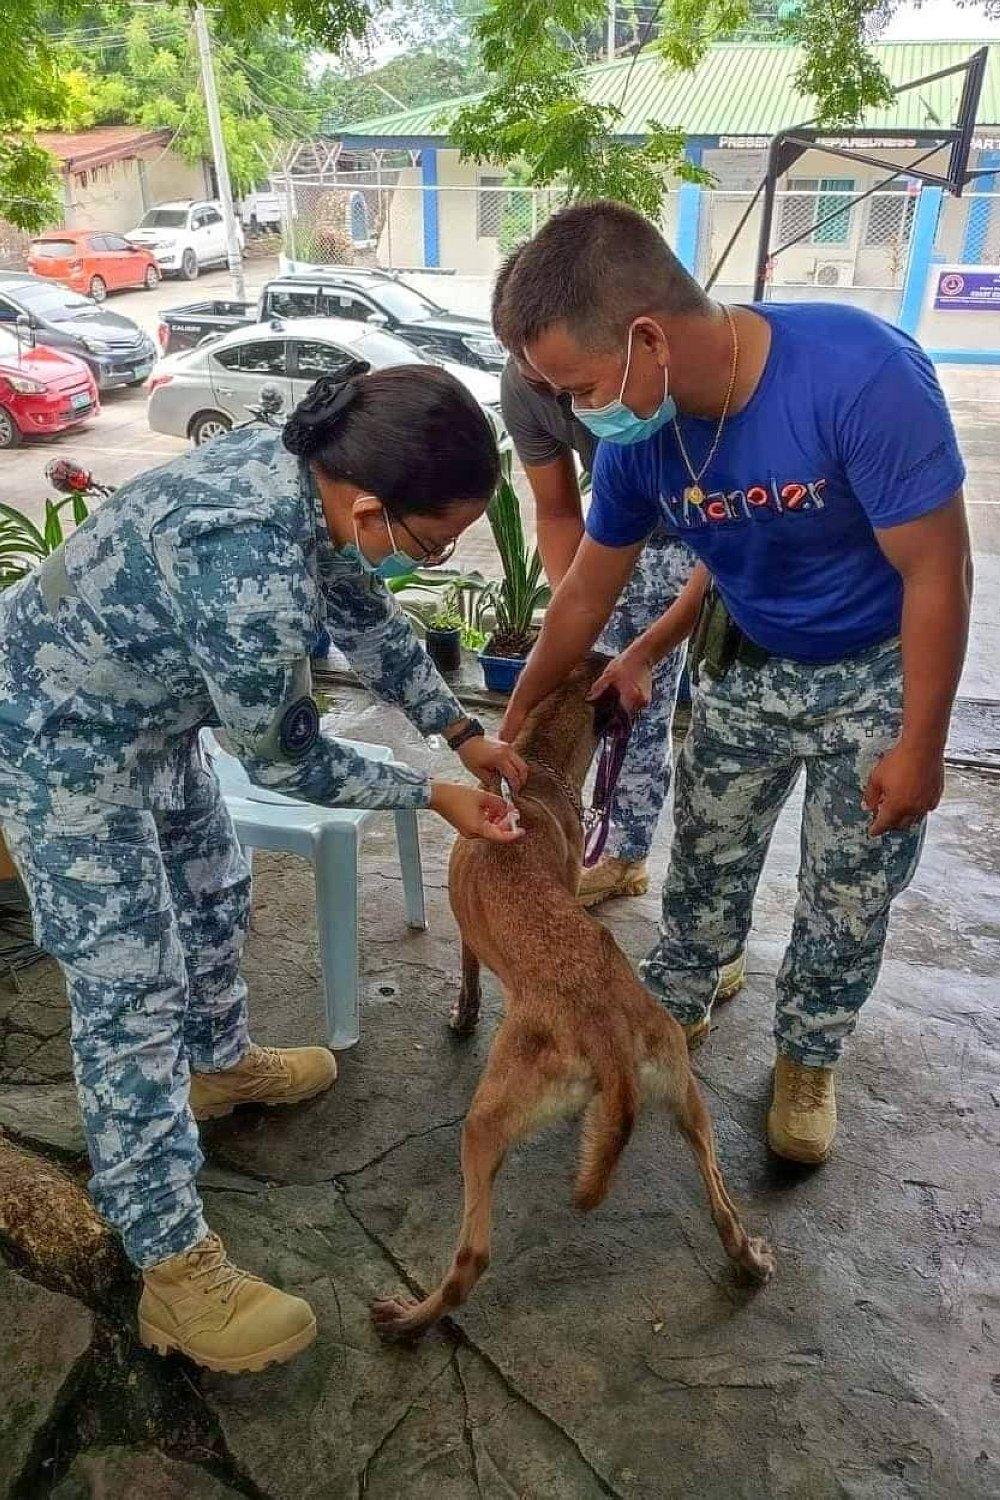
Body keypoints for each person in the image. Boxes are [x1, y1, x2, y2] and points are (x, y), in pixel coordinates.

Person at [0, 362, 527, 1374]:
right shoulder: (244, 553)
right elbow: (284, 757)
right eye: (433, 540)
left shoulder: (311, 479)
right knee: (128, 992)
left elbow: (367, 613)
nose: (442, 554)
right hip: (55, 738)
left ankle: (216, 1065)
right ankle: (170, 1268)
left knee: (211, 891)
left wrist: (460, 732)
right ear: (371, 505)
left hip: (142, 724)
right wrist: (428, 795)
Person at [494, 201, 971, 1166]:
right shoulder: (640, 442)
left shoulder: (859, 374)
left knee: (848, 888)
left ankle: (809, 1055)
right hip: (747, 667)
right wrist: (512, 723)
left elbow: (939, 572)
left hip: (876, 675)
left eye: (582, 386)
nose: (579, 412)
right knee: (706, 858)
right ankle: (682, 995)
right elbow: (587, 590)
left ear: (647, 339)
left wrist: (921, 743)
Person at [494, 259, 746, 999]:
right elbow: (557, 511)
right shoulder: (528, 383)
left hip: (706, 541)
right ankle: (617, 852)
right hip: (613, 541)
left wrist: (645, 646)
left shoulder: (692, 385)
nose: (567, 402)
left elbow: (724, 555)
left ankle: (639, 860)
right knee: (599, 698)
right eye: (545, 383)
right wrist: (579, 618)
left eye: (575, 386)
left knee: (659, 707)